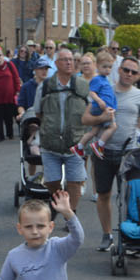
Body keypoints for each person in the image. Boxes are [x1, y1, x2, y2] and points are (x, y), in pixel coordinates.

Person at [89, 54, 140, 251]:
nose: (129, 74)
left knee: (131, 195)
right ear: (119, 70)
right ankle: (107, 235)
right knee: (103, 194)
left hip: (129, 153)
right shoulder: (106, 90)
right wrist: (101, 117)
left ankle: (131, 236)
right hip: (103, 151)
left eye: (133, 72)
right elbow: (87, 118)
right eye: (126, 70)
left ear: (138, 75)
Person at [34, 49, 91, 214]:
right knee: (52, 182)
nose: (69, 63)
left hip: (75, 142)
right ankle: (60, 202)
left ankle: (70, 213)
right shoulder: (44, 86)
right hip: (50, 143)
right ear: (56, 64)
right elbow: (38, 112)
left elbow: (90, 109)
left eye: (71, 60)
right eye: (64, 60)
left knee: (75, 181)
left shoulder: (83, 85)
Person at [75, 48, 119, 157]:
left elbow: (110, 94)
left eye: (110, 67)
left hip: (102, 108)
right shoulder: (97, 79)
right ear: (98, 66)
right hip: (96, 109)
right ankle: (99, 145)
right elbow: (92, 93)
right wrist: (99, 101)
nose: (108, 70)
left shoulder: (105, 79)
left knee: (94, 131)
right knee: (113, 126)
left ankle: (79, 146)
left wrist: (114, 106)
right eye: (105, 67)